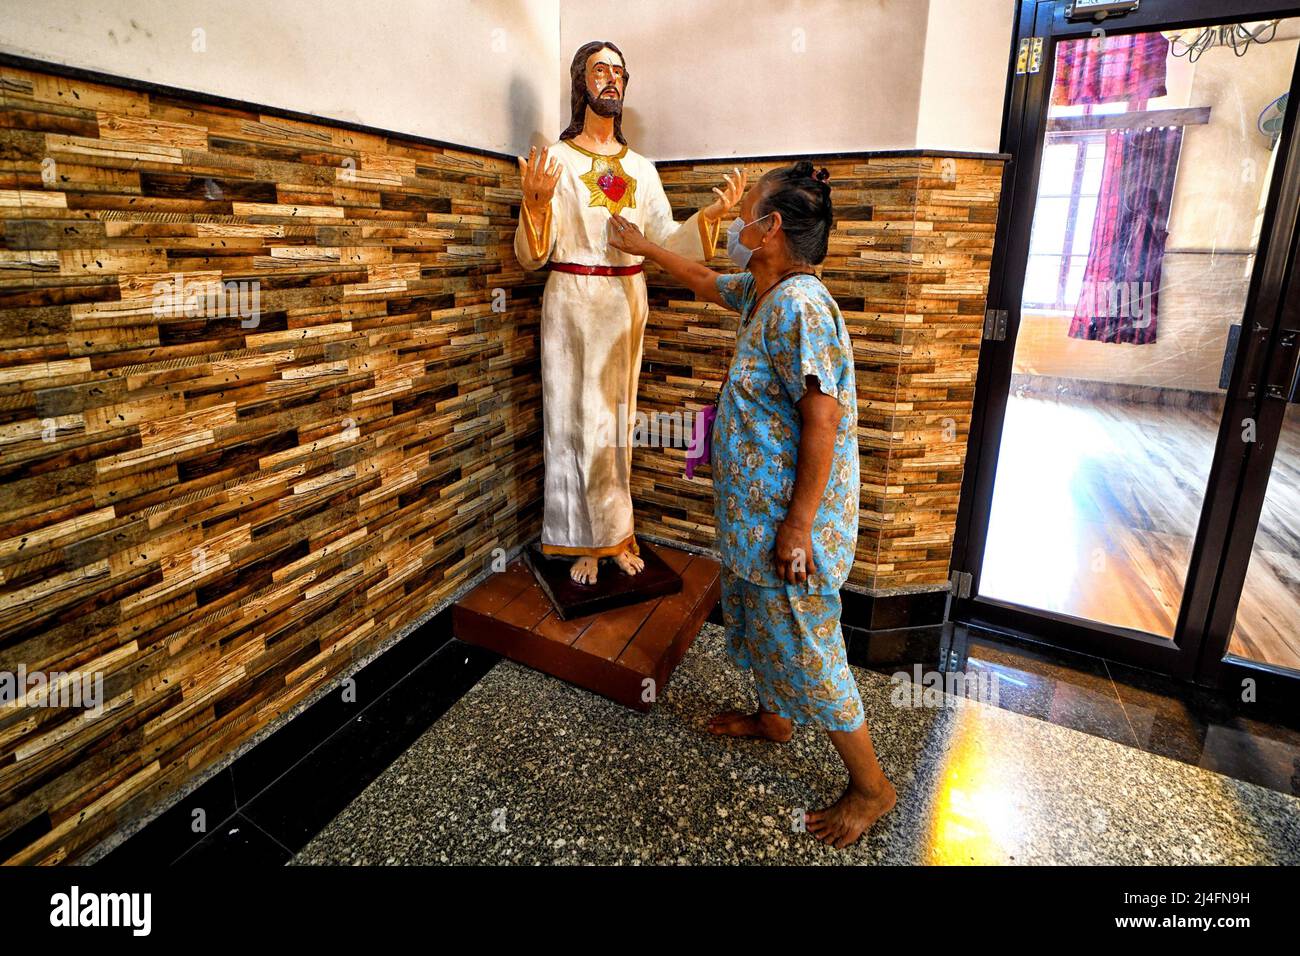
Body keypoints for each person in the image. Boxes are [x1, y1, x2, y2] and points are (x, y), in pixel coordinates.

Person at [607, 160, 897, 849]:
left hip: (790, 527)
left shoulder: (802, 307)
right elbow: (708, 280)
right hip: (753, 517)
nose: (737, 220)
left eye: (749, 212)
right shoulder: (765, 291)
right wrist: (647, 249)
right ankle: (776, 719)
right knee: (762, 619)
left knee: (807, 643)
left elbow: (822, 420)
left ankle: (871, 788)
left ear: (769, 229)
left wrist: (797, 527)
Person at [513, 40, 744, 585]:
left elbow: (665, 241)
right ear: (581, 83)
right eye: (600, 71)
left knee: (615, 425)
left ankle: (615, 532)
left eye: (618, 72)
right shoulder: (558, 161)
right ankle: (581, 541)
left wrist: (708, 218)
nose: (611, 80)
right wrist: (538, 204)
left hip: (624, 301)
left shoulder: (641, 169)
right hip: (572, 300)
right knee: (572, 421)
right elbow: (531, 256)